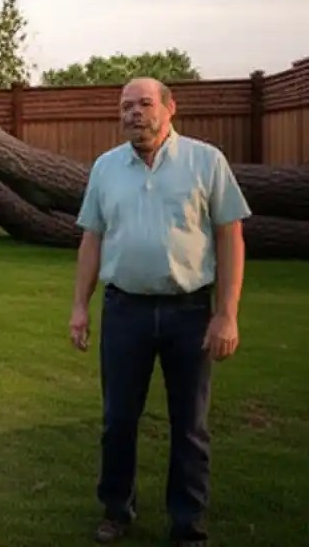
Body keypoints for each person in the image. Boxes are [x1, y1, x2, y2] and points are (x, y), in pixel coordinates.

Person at [69, 77, 250, 547]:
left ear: (170, 108)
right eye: (126, 106)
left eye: (145, 104)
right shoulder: (106, 168)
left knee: (190, 425)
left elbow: (231, 237)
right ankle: (116, 510)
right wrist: (79, 308)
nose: (134, 113)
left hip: (189, 312)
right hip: (123, 310)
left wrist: (226, 313)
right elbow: (92, 239)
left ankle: (187, 523)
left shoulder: (205, 161)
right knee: (118, 420)